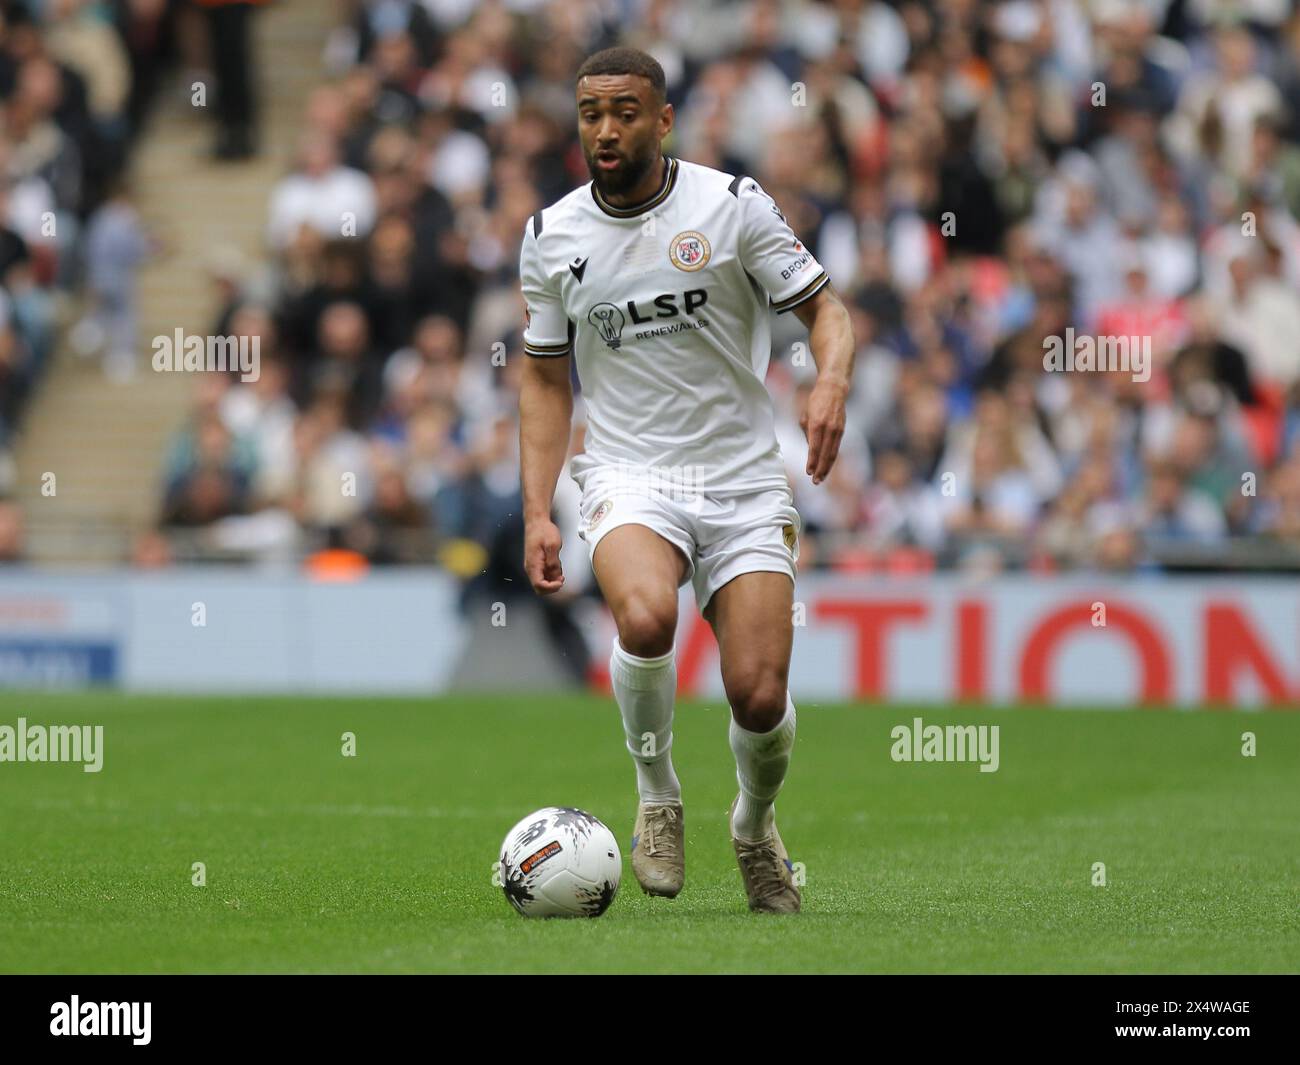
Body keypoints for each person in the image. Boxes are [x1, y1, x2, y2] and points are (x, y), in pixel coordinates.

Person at [517, 48, 854, 914]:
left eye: (625, 111)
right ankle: (659, 794)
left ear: (663, 121)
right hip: (630, 473)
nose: (605, 129)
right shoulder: (551, 237)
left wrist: (830, 380)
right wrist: (536, 510)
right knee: (642, 613)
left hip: (742, 480)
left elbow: (827, 309)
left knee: (759, 691)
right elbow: (546, 378)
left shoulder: (730, 207)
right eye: (591, 112)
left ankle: (752, 825)